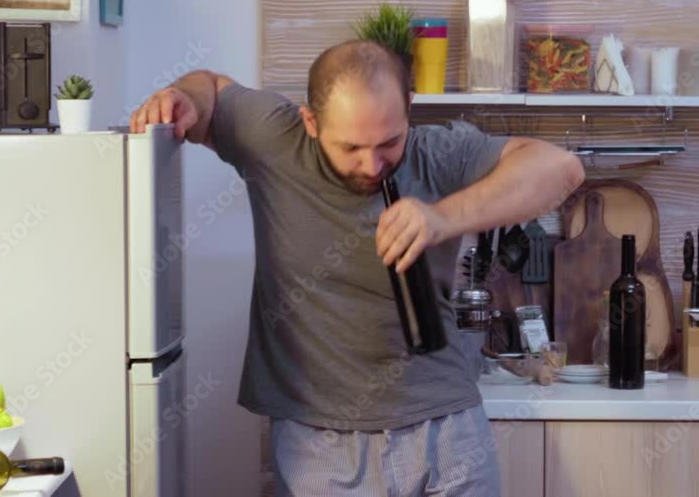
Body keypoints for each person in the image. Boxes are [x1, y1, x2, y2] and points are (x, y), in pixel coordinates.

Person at [129, 40, 585, 496]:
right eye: (350, 147)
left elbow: (562, 169)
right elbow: (210, 86)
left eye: (390, 142)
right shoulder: (272, 137)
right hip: (320, 442)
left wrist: (442, 217)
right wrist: (181, 95)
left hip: (447, 428)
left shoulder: (438, 153)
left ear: (408, 108)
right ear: (310, 121)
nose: (373, 165)